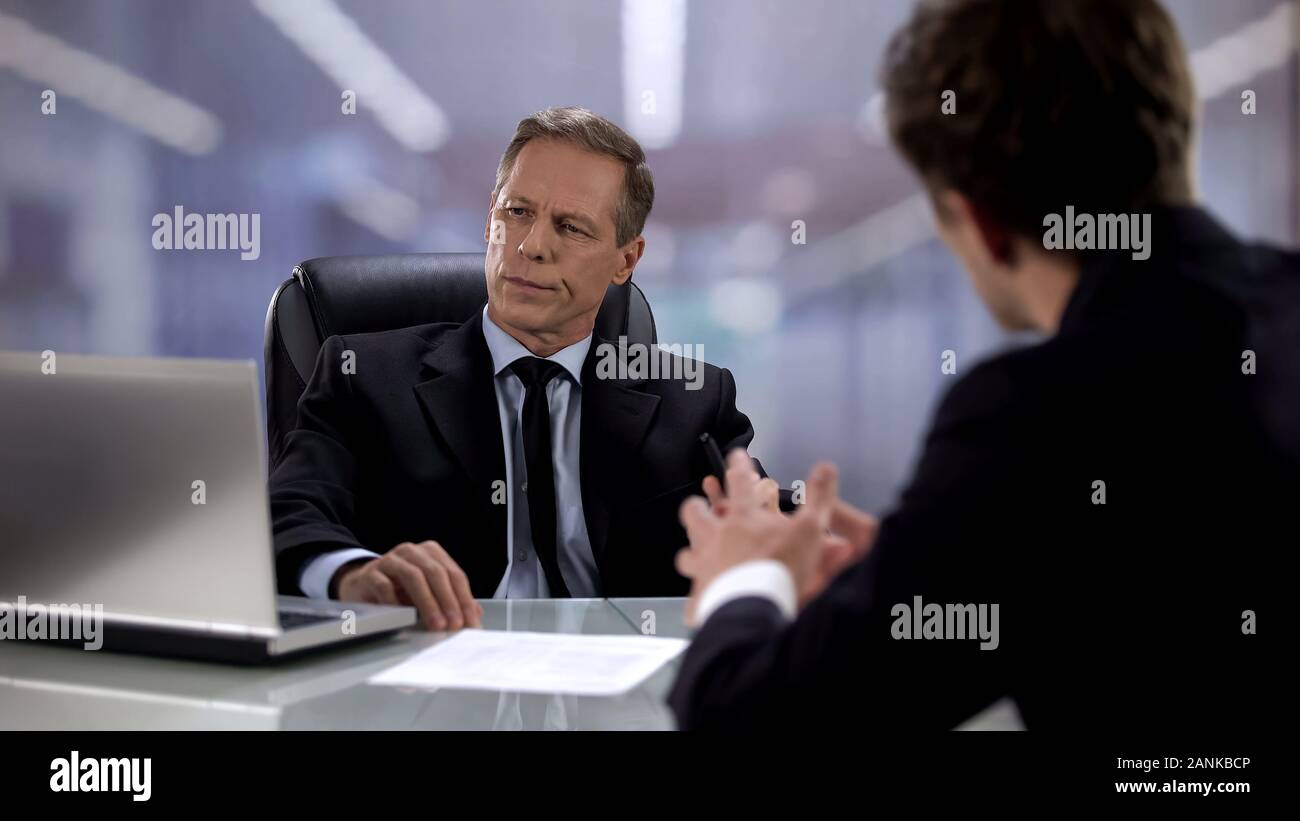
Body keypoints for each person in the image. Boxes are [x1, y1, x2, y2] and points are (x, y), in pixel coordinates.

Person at [669, 0, 1296, 731]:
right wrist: (935, 552)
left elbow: (740, 718)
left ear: (985, 226)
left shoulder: (1034, 415)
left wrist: (743, 577)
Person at [270, 106, 777, 630]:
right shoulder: (364, 376)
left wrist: (776, 539)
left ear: (627, 260)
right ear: (491, 217)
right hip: (430, 681)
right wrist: (350, 574)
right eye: (516, 212)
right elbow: (287, 513)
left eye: (572, 227)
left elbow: (759, 521)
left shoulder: (693, 400)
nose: (532, 246)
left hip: (620, 687)